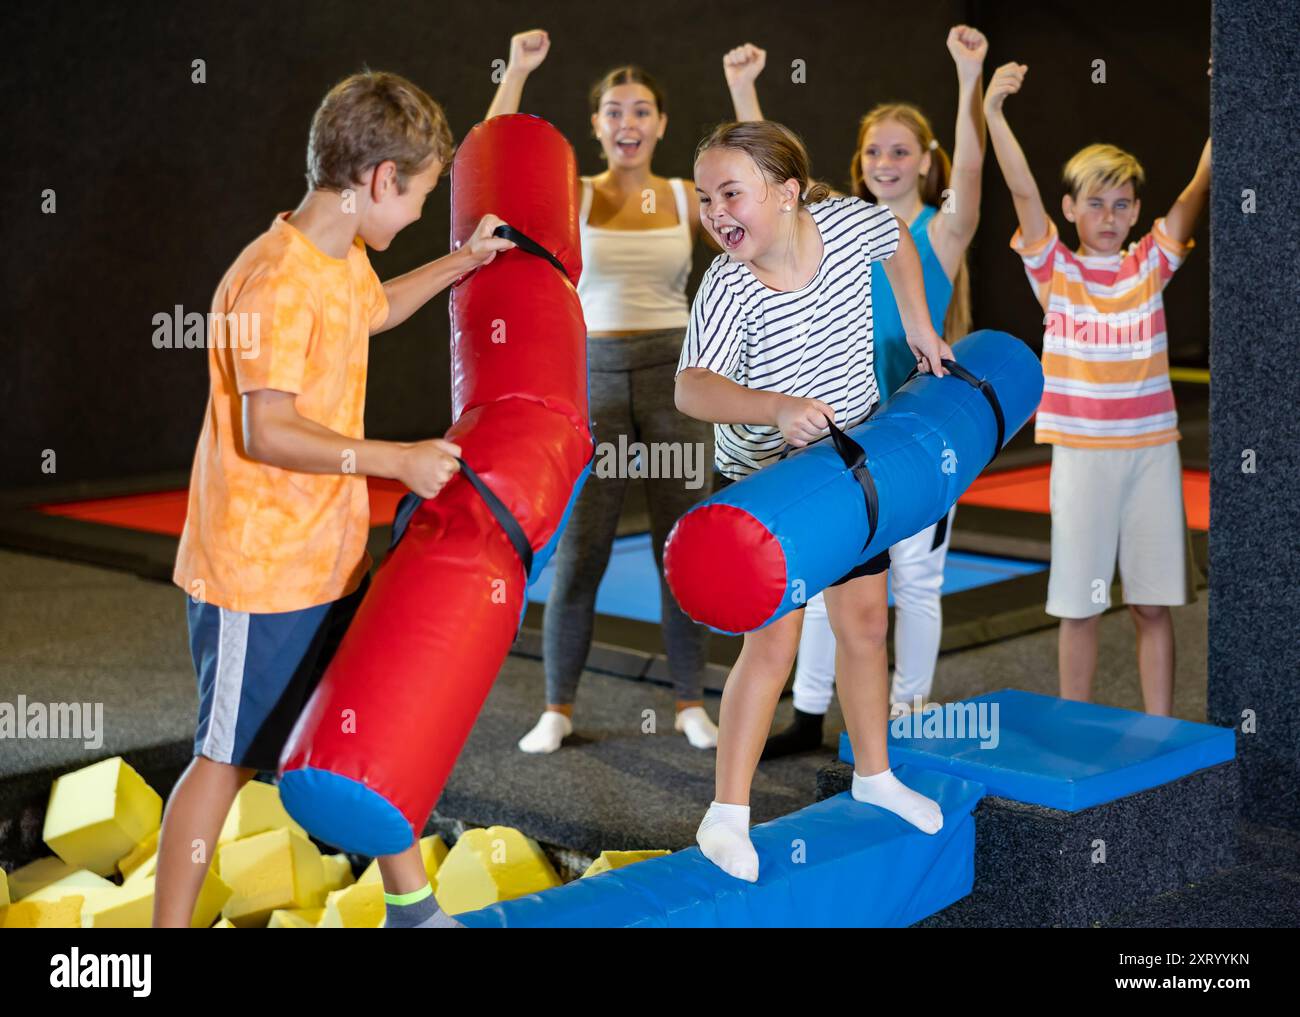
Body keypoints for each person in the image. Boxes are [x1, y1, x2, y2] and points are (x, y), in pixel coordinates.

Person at [158, 71, 515, 928]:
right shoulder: (275, 279)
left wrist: (463, 260)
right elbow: (266, 433)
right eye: (421, 197)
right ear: (380, 180)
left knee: (371, 726)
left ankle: (413, 908)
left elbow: (372, 311)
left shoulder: (340, 253)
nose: (419, 215)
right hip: (257, 573)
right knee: (226, 759)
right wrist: (395, 457)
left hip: (328, 556)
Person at [676, 119, 952, 882]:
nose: (716, 211)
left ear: (789, 192)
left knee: (866, 621)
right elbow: (691, 386)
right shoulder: (729, 284)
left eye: (731, 192)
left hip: (845, 468)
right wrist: (772, 407)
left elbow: (898, 239)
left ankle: (875, 773)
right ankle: (725, 814)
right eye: (705, 198)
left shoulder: (847, 222)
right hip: (769, 489)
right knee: (772, 646)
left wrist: (922, 325)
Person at [722, 27, 989, 758]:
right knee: (829, 571)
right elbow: (768, 177)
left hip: (918, 427)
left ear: (926, 162)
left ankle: (907, 714)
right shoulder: (832, 225)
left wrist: (970, 76)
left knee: (916, 579)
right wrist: (746, 91)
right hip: (841, 427)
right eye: (874, 150)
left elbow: (970, 165)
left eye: (901, 151)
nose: (885, 162)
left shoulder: (943, 229)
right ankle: (809, 714)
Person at [488, 30, 721, 754]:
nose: (629, 124)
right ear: (595, 126)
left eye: (642, 111)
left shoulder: (688, 196)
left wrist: (746, 90)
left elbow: (768, 200)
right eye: (614, 112)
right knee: (581, 553)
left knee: (682, 547)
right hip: (590, 379)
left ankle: (690, 702)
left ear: (662, 123)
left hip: (677, 380)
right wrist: (519, 71)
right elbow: (492, 163)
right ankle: (557, 705)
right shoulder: (572, 193)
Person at [983, 59, 1211, 715]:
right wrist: (994, 114)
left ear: (1137, 210)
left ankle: (1161, 728)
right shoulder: (1055, 269)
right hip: (1082, 457)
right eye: (1094, 203)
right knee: (1079, 604)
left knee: (1151, 602)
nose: (1108, 216)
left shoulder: (1149, 263)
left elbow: (1198, 184)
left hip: (1151, 452)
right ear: (1070, 208)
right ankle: (1073, 726)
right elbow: (1022, 193)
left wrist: (1231, 93)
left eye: (1121, 204)